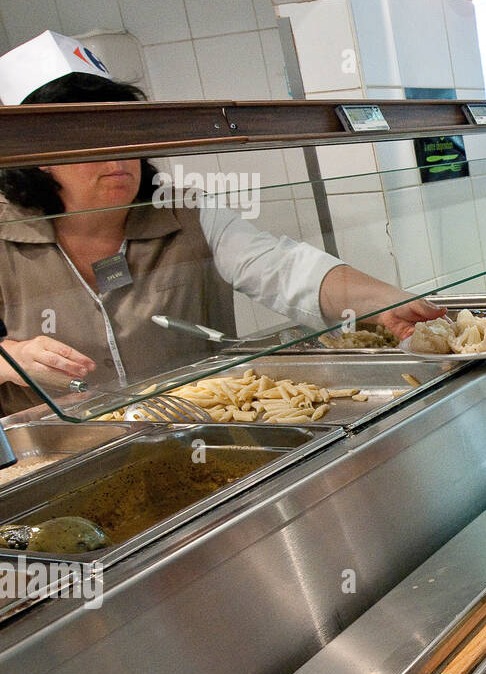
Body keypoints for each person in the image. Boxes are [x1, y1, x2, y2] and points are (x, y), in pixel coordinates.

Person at [0, 31, 445, 415]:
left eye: (124, 134)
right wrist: (13, 357)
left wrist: (383, 303)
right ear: (38, 158)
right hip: (54, 445)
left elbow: (283, 268)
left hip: (193, 422)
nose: (118, 156)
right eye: (88, 142)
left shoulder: (186, 213)